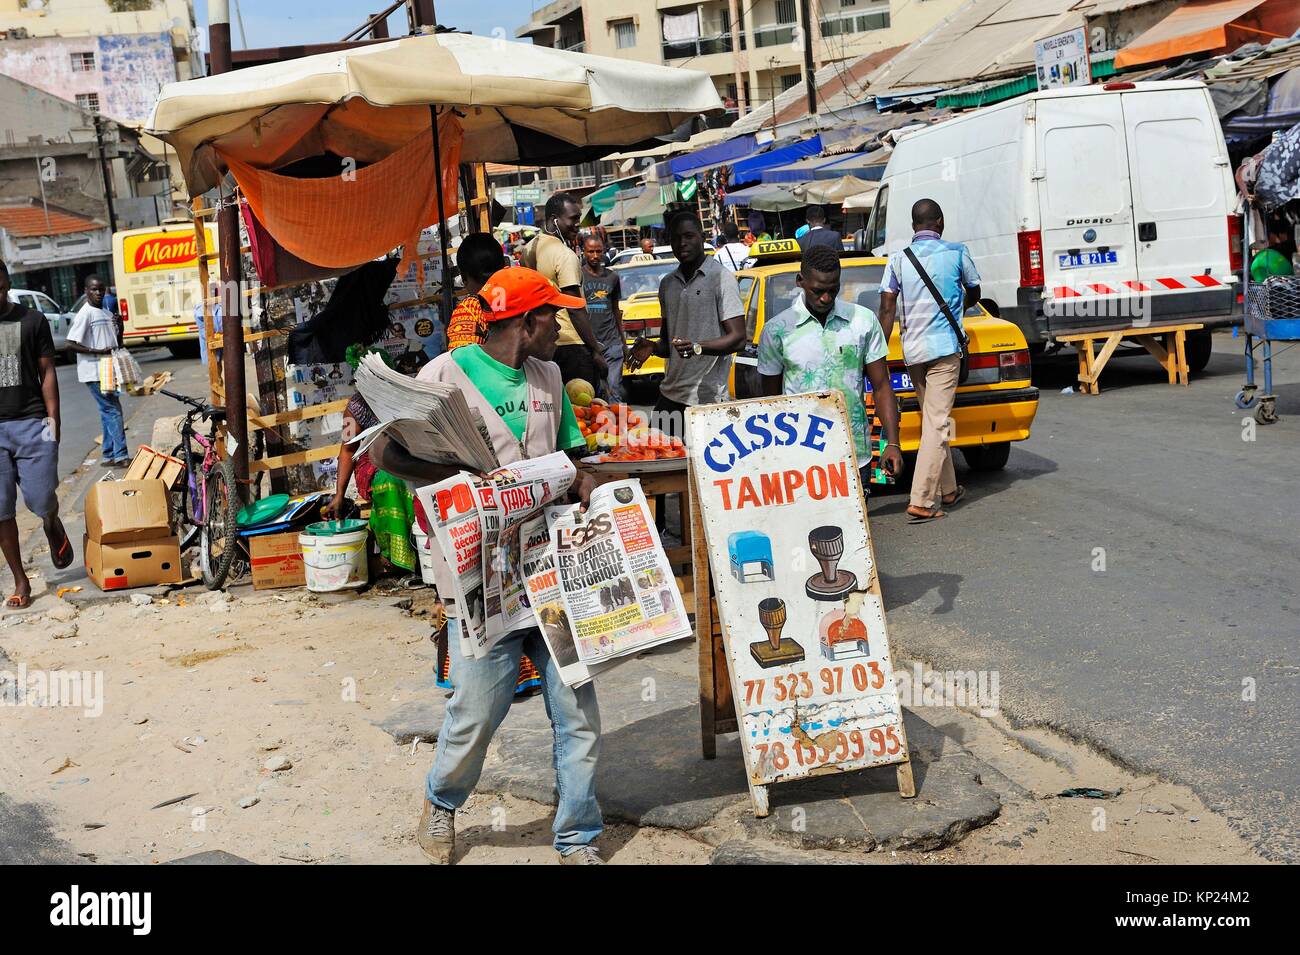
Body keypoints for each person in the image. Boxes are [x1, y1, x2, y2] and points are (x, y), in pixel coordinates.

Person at [373, 266, 603, 866]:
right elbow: (384, 449)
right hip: (481, 577)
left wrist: (583, 479)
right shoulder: (443, 375)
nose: (561, 326)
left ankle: (578, 836)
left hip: (551, 568)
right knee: (476, 710)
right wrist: (457, 481)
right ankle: (442, 801)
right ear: (526, 324)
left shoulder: (550, 377)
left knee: (577, 707)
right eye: (553, 315)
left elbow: (570, 456)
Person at [757, 244, 904, 490]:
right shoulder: (776, 331)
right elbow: (772, 402)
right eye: (818, 291)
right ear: (800, 281)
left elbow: (881, 386)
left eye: (832, 290)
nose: (825, 298)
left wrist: (893, 443)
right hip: (800, 459)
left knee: (856, 528)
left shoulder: (863, 321)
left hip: (855, 454)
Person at [877, 198, 981, 523]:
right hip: (944, 349)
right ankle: (922, 499)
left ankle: (948, 490)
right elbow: (975, 290)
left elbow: (887, 307)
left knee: (933, 418)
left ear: (913, 226)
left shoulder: (897, 259)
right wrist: (957, 307)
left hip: (913, 352)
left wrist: (877, 351)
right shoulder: (956, 252)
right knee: (936, 422)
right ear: (940, 223)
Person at [626, 210, 745, 440]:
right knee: (659, 463)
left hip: (707, 399)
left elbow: (738, 338)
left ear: (702, 237)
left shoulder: (721, 278)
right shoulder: (667, 284)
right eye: (676, 238)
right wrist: (653, 348)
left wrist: (698, 346)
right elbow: (670, 343)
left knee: (705, 470)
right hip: (670, 395)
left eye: (689, 236)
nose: (683, 243)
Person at [0, 261, 72, 608]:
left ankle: (51, 521)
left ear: (8, 285)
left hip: (32, 423)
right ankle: (20, 579)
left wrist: (53, 421)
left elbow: (47, 373)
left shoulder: (32, 321)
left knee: (42, 497)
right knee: (0, 510)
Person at [326, 345, 418, 575]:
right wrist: (339, 495)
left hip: (409, 452)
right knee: (394, 477)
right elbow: (347, 450)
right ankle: (396, 556)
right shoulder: (355, 408)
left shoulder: (407, 395)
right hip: (375, 464)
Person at [520, 192, 608, 387]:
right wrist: (595, 350)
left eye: (579, 218)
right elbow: (574, 307)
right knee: (583, 412)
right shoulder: (564, 255)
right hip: (571, 346)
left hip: (542, 344)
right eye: (573, 219)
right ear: (555, 220)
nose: (578, 224)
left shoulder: (529, 249)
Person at [65, 275, 128, 467]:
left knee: (107, 411)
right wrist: (95, 351)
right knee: (113, 410)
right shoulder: (85, 313)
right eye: (94, 289)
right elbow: (70, 344)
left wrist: (121, 328)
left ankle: (109, 455)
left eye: (101, 289)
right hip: (93, 371)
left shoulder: (107, 312)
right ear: (86, 291)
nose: (98, 293)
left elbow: (116, 344)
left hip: (108, 369)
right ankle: (121, 455)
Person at [580, 235, 625, 401]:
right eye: (591, 251)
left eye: (599, 251)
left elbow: (615, 310)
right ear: (583, 252)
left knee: (613, 389)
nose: (595, 255)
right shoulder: (578, 277)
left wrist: (623, 344)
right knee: (594, 392)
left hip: (611, 343)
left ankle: (619, 425)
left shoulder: (612, 277)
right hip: (588, 344)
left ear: (604, 251)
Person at [446, 232, 507, 351]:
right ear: (504, 264)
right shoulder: (520, 294)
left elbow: (463, 365)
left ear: (464, 278)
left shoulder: (470, 309)